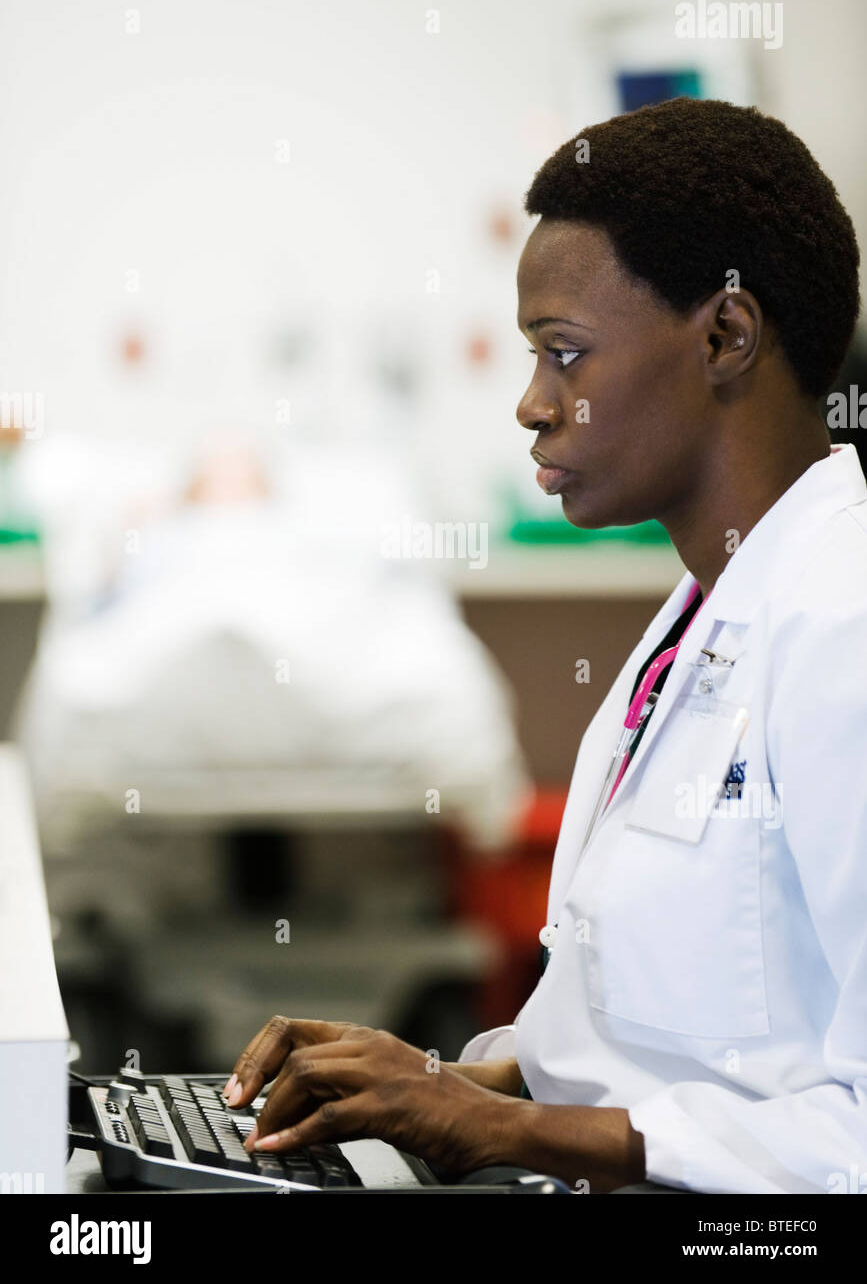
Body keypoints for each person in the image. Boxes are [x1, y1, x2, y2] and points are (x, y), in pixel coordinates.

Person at [221, 96, 866, 1194]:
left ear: (725, 336)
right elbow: (684, 1043)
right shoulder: (701, 620)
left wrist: (509, 1134)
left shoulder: (841, 624)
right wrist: (442, 1082)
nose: (532, 403)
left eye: (564, 354)